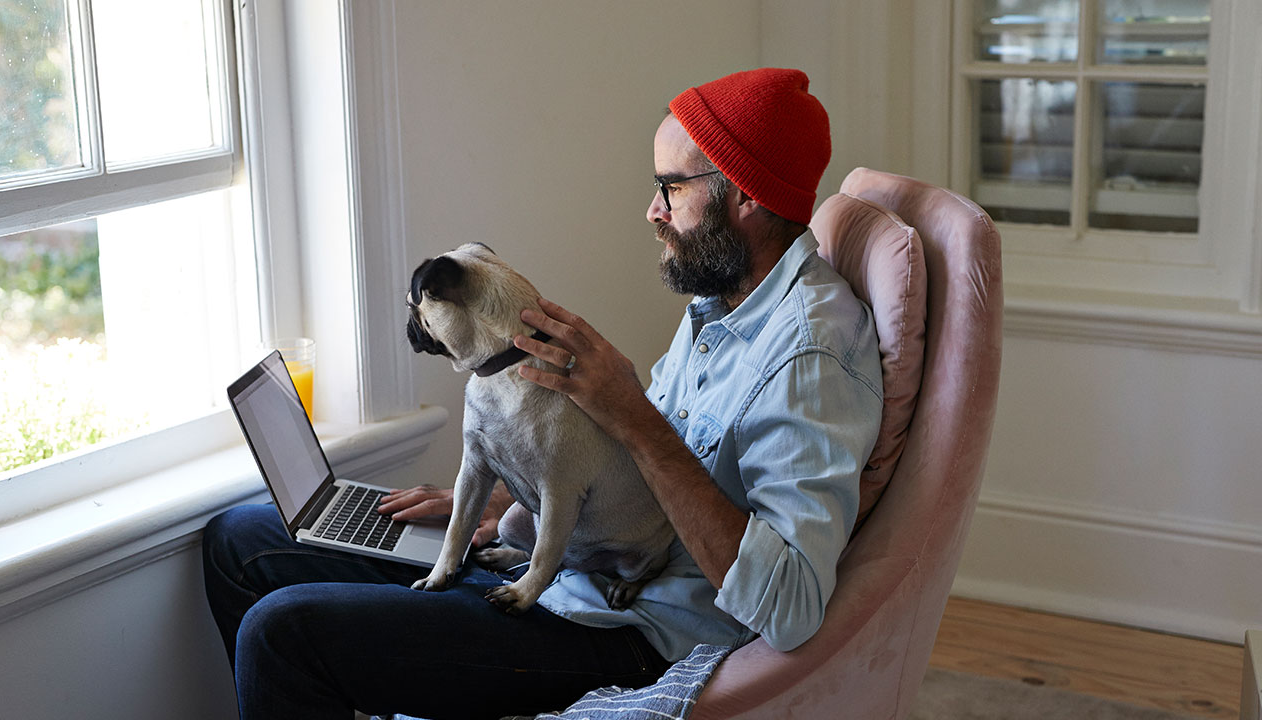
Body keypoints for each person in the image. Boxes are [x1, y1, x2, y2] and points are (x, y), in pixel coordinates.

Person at [202, 67, 883, 720]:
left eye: (670, 188)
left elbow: (791, 607)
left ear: (746, 194)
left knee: (281, 634)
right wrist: (501, 500)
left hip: (623, 628)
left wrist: (635, 417)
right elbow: (630, 474)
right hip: (560, 558)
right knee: (240, 537)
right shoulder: (728, 301)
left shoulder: (809, 356)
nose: (651, 211)